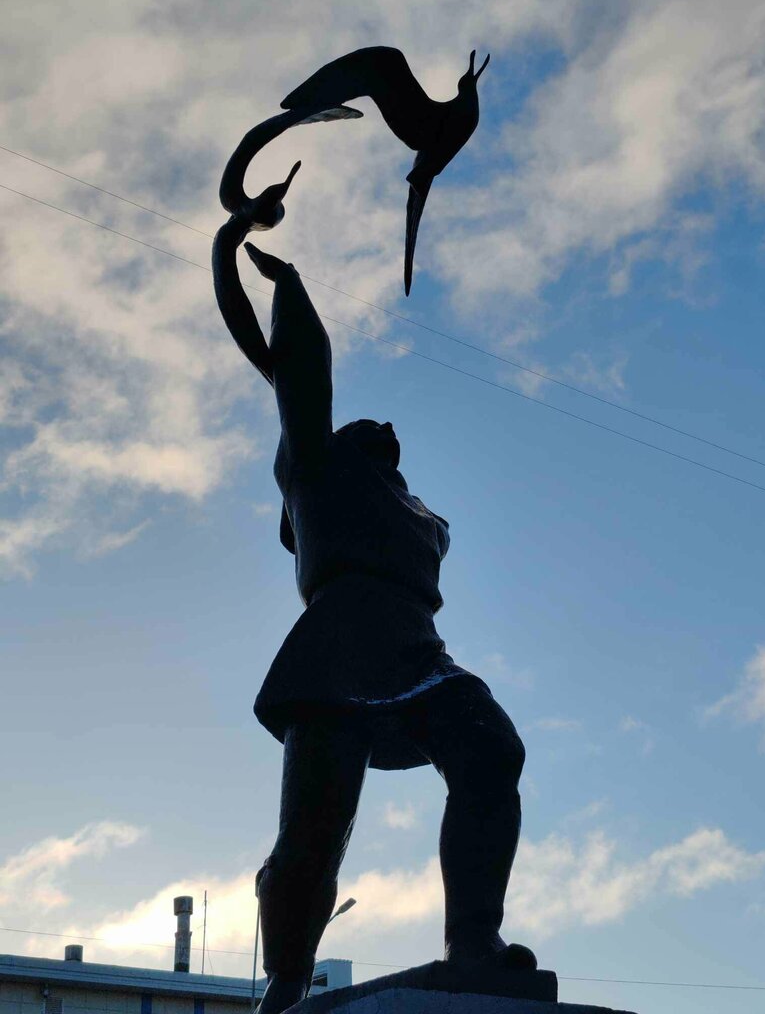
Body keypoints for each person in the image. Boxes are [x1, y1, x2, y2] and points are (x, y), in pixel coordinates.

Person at [212, 217, 533, 1014]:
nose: (385, 432)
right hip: (335, 647)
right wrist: (280, 285)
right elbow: (298, 375)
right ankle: (286, 979)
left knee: (491, 752)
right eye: (368, 431)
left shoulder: (417, 514)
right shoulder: (318, 475)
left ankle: (473, 942)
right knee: (314, 837)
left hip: (419, 651)